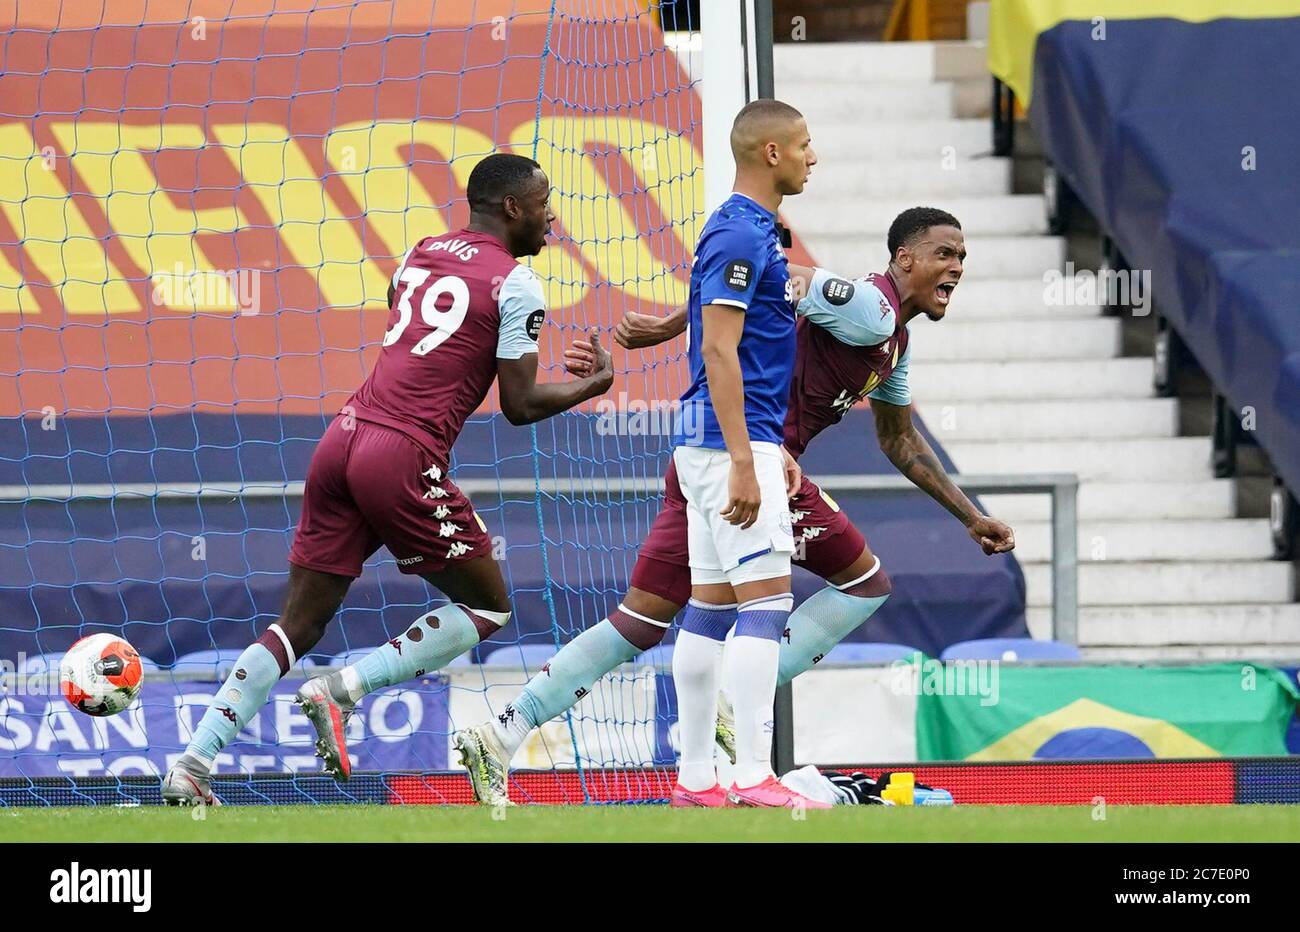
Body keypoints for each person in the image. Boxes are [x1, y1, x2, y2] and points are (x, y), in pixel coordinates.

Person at [454, 207, 1015, 808]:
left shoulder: (893, 343)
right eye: (944, 253)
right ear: (905, 258)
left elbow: (898, 440)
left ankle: (502, 731)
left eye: (961, 256)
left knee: (639, 622)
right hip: (751, 463)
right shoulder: (866, 305)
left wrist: (970, 517)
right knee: (862, 584)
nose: (956, 266)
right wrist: (670, 329)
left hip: (703, 462)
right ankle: (739, 728)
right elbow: (765, 274)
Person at [161, 153, 614, 805]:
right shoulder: (517, 285)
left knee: (295, 625)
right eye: (544, 201)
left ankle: (192, 764)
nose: (553, 216)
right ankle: (342, 690)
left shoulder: (421, 252)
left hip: (342, 438)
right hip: (402, 454)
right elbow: (518, 406)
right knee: (487, 605)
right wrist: (591, 385)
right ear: (512, 207)